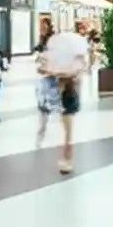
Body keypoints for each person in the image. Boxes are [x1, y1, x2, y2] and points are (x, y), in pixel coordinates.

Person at [40, 23, 90, 174]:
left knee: (68, 129)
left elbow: (75, 72)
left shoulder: (77, 60)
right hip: (59, 91)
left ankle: (67, 158)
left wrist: (56, 72)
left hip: (68, 92)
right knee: (63, 126)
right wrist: (50, 70)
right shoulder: (60, 57)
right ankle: (65, 157)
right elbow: (43, 68)